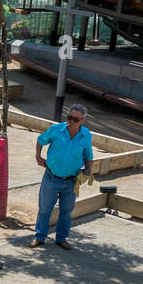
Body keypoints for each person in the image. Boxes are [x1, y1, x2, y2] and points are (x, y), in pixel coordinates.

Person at [31, 104, 94, 249]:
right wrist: (38, 157)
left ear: (83, 120)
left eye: (75, 119)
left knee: (66, 212)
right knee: (44, 209)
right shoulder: (56, 130)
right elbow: (41, 140)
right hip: (51, 177)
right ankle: (39, 237)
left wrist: (88, 169)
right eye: (69, 117)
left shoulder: (86, 135)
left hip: (72, 181)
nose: (71, 121)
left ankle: (61, 238)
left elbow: (88, 154)